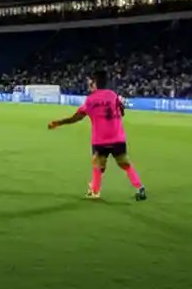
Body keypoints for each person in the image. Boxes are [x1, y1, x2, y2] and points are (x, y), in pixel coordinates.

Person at [48, 70, 147, 201]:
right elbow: (121, 112)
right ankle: (139, 187)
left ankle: (94, 191)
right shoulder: (113, 95)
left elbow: (76, 117)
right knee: (124, 163)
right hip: (117, 137)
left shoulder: (91, 100)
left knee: (97, 162)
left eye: (90, 81)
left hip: (100, 139)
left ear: (94, 83)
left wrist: (58, 123)